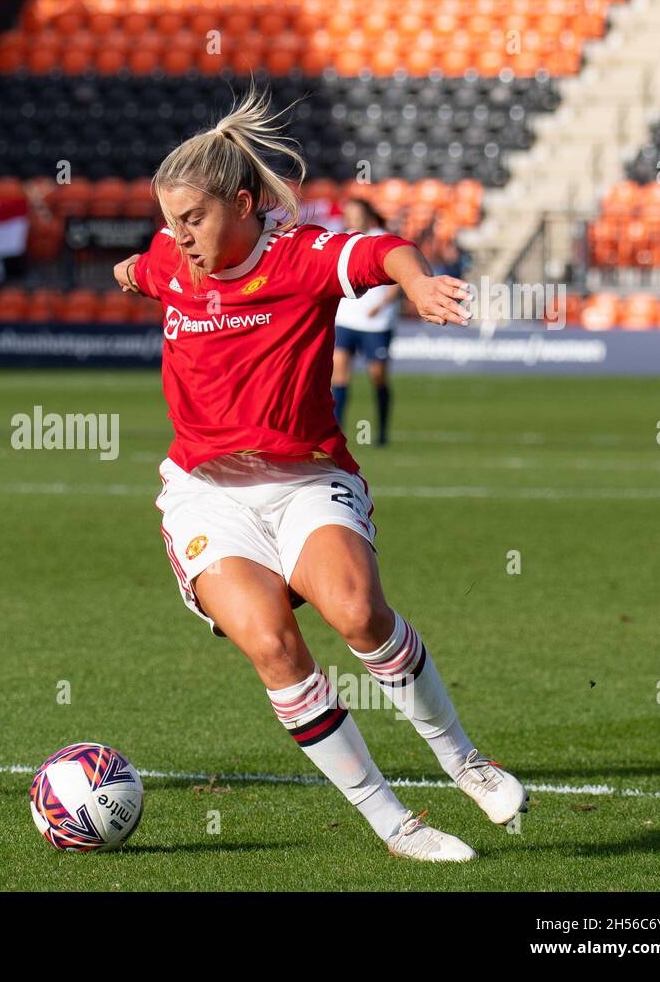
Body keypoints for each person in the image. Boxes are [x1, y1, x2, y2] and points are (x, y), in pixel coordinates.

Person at [114, 84, 523, 862]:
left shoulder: (300, 258)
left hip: (304, 481)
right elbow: (145, 267)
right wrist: (132, 269)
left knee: (358, 612)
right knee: (272, 642)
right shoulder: (173, 258)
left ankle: (465, 761)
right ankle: (393, 823)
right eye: (170, 222)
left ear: (242, 204)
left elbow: (381, 250)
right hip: (206, 496)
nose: (180, 237)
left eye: (193, 219)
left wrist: (418, 283)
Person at [332, 197, 398, 444]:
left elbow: (398, 280)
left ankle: (381, 431)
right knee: (338, 374)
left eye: (355, 212)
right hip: (346, 320)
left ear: (367, 214)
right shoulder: (342, 239)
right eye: (348, 212)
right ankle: (337, 431)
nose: (351, 217)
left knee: (377, 375)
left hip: (376, 323)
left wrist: (382, 304)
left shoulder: (382, 239)